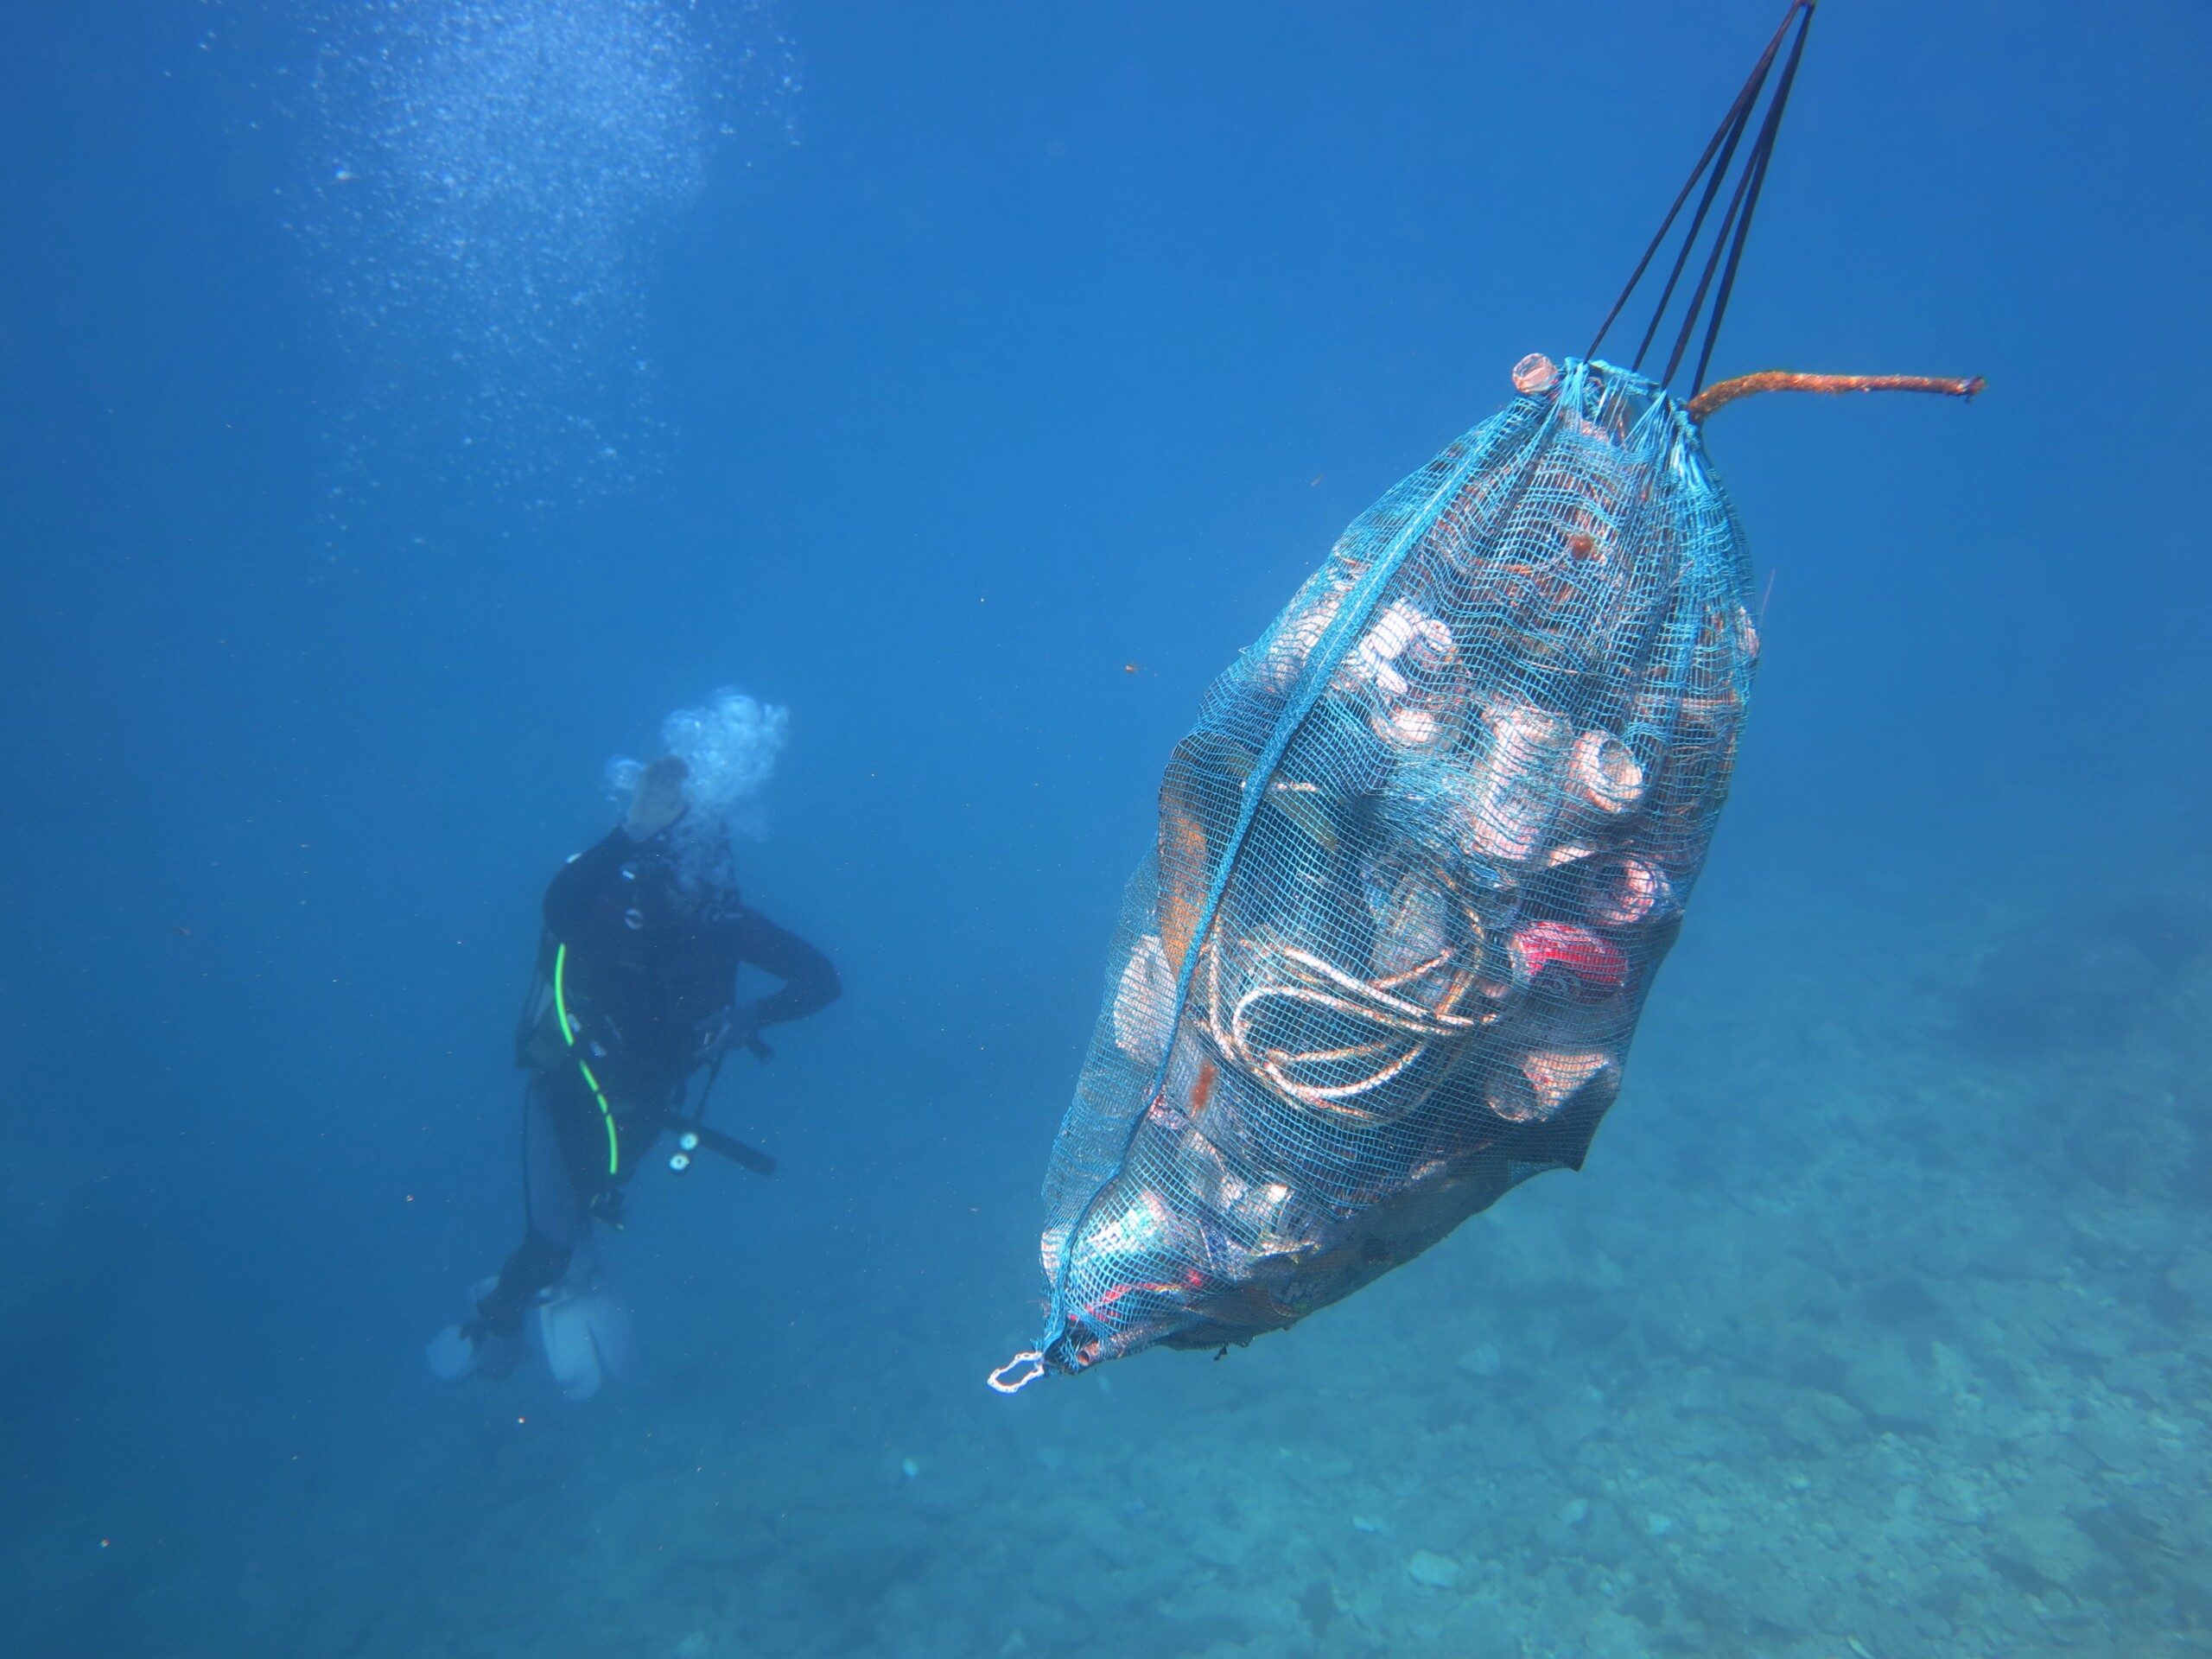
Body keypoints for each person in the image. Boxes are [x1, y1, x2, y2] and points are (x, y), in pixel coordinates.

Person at [429, 753, 839, 1396]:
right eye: (682, 872)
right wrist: (630, 831)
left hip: (646, 1098)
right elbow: (558, 910)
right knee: (550, 1240)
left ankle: (568, 1253)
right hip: (569, 1085)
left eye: (708, 873)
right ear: (658, 864)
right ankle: (494, 1322)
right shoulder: (614, 909)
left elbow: (822, 980)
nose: (695, 890)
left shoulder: (728, 925)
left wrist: (752, 1014)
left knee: (594, 1197)